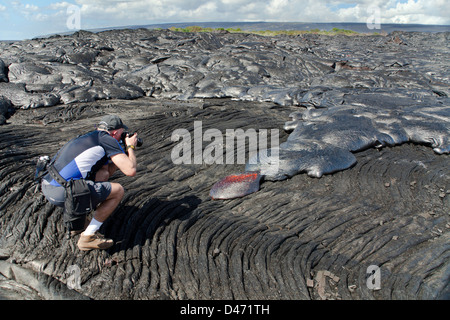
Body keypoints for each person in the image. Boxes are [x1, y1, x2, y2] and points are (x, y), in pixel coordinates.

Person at [41, 115, 138, 251]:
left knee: (102, 174)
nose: (123, 136)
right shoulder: (107, 140)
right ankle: (88, 237)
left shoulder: (90, 137)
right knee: (118, 191)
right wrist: (130, 146)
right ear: (115, 132)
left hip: (48, 185)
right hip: (63, 192)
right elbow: (131, 170)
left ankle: (79, 222)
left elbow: (105, 173)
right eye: (122, 133)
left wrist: (119, 153)